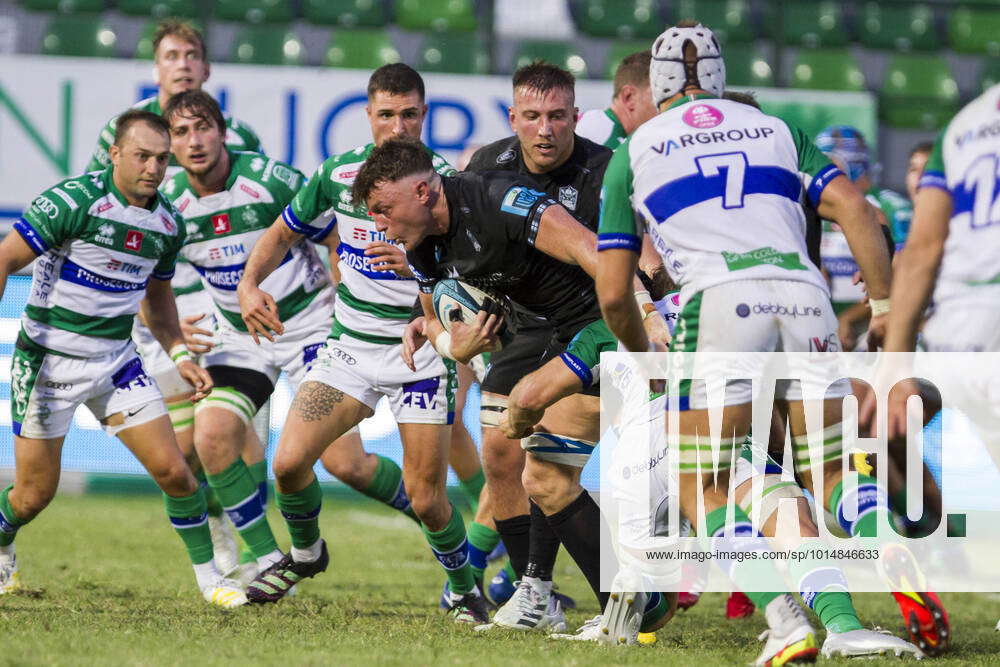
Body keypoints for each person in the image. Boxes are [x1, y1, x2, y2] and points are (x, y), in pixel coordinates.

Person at [596, 21, 899, 664]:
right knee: (832, 470)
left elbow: (614, 294)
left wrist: (646, 359)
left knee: (700, 482)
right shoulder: (778, 129)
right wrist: (883, 305)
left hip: (719, 305)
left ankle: (785, 619)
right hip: (805, 297)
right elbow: (856, 211)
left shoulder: (636, 150)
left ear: (656, 84)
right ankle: (871, 579)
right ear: (719, 75)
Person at [236, 65, 490, 623]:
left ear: (425, 116)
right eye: (386, 114)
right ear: (369, 115)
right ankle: (307, 555)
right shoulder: (337, 173)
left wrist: (418, 264)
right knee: (289, 464)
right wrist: (249, 283)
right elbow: (283, 231)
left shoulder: (446, 184)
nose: (398, 126)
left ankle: (463, 589)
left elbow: (476, 275)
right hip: (349, 348)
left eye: (409, 114)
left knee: (427, 499)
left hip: (422, 354)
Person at [0, 110, 248, 606]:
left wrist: (178, 352)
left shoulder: (168, 224)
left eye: (162, 159)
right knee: (32, 495)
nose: (153, 169)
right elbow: (6, 259)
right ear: (115, 154)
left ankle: (211, 581)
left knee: (176, 472)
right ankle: (3, 542)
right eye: (142, 156)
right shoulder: (71, 202)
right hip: (48, 363)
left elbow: (157, 299)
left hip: (117, 363)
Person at [161, 89, 333, 587]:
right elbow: (148, 281)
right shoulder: (168, 204)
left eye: (203, 128)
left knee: (347, 463)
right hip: (240, 338)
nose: (194, 141)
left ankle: (309, 550)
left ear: (222, 131)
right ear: (170, 144)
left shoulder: (271, 180)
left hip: (310, 326)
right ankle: (270, 560)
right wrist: (173, 330)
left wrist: (348, 307)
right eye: (181, 132)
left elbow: (336, 239)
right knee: (210, 437)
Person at [879, 83, 1000, 646]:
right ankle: (936, 532)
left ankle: (933, 534)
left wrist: (895, 364)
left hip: (956, 332)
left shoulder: (964, 126)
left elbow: (922, 251)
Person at [85, 20, 261, 176]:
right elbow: (93, 193)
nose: (183, 65)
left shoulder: (241, 137)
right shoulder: (120, 130)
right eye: (172, 56)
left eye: (192, 56)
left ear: (206, 71)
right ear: (156, 72)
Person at [576, 50, 658, 148]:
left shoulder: (594, 123)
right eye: (660, 96)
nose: (668, 107)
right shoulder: (606, 144)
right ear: (629, 97)